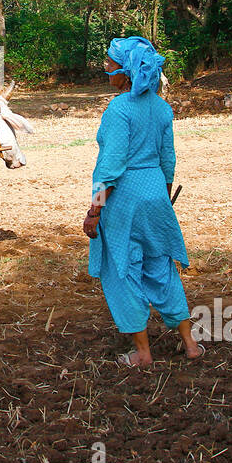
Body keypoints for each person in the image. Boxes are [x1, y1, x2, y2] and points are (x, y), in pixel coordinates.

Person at [84, 36, 204, 366]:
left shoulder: (119, 109)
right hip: (155, 195)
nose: (106, 68)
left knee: (123, 268)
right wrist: (161, 200)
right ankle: (191, 344)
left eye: (110, 63)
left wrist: (95, 209)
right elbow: (168, 160)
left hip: (125, 198)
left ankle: (143, 352)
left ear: (126, 72)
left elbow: (110, 167)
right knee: (161, 266)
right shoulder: (162, 108)